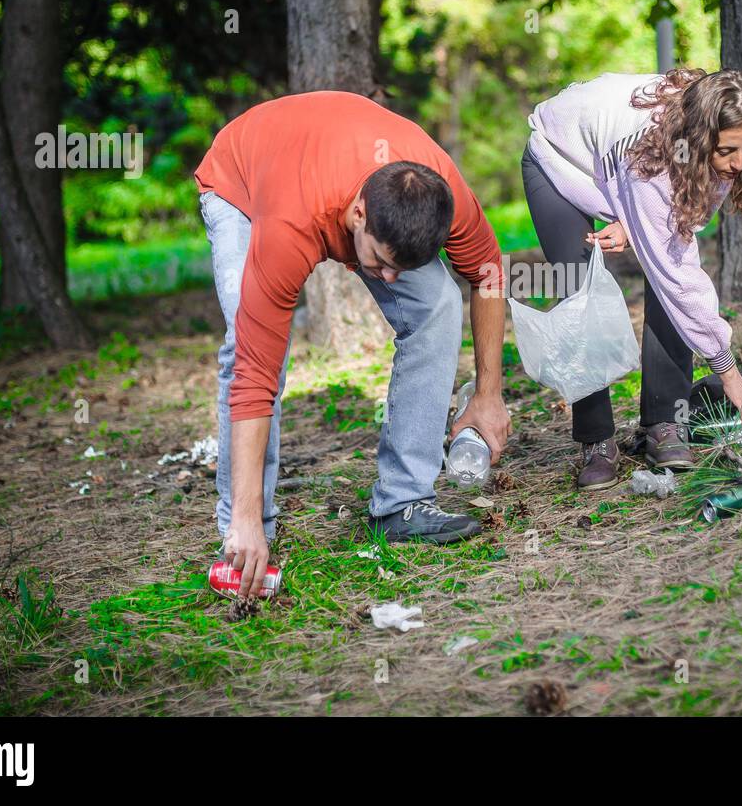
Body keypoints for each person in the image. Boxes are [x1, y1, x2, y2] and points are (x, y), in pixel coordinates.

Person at [195, 91, 511, 596]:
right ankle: (246, 532)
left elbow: (489, 272)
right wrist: (248, 521)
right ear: (360, 214)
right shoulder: (289, 226)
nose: (388, 278)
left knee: (439, 302)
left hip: (331, 162)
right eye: (381, 262)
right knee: (248, 346)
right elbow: (255, 371)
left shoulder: (440, 187)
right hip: (244, 182)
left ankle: (403, 503)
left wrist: (488, 394)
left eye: (398, 269)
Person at [522, 67, 742, 489]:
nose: (740, 163)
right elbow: (676, 272)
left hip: (614, 167)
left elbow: (679, 235)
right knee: (580, 286)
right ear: (698, 139)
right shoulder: (654, 160)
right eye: (729, 150)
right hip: (558, 157)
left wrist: (635, 225)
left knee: (669, 278)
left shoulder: (714, 139)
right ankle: (596, 440)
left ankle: (664, 421)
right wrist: (729, 373)